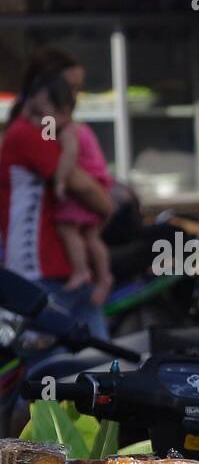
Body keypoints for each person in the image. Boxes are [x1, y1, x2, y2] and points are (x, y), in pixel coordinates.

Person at [0, 62, 114, 339]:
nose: (70, 99)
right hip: (39, 273)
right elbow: (85, 189)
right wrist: (107, 207)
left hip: (59, 274)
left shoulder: (41, 132)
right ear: (37, 94)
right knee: (59, 368)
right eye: (66, 89)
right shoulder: (26, 135)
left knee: (88, 366)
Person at [43, 76, 115, 302]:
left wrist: (61, 180)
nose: (46, 120)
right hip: (100, 181)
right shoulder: (80, 127)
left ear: (63, 110)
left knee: (67, 228)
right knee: (91, 236)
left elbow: (68, 156)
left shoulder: (67, 132)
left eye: (49, 112)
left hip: (87, 184)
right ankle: (104, 277)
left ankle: (81, 270)